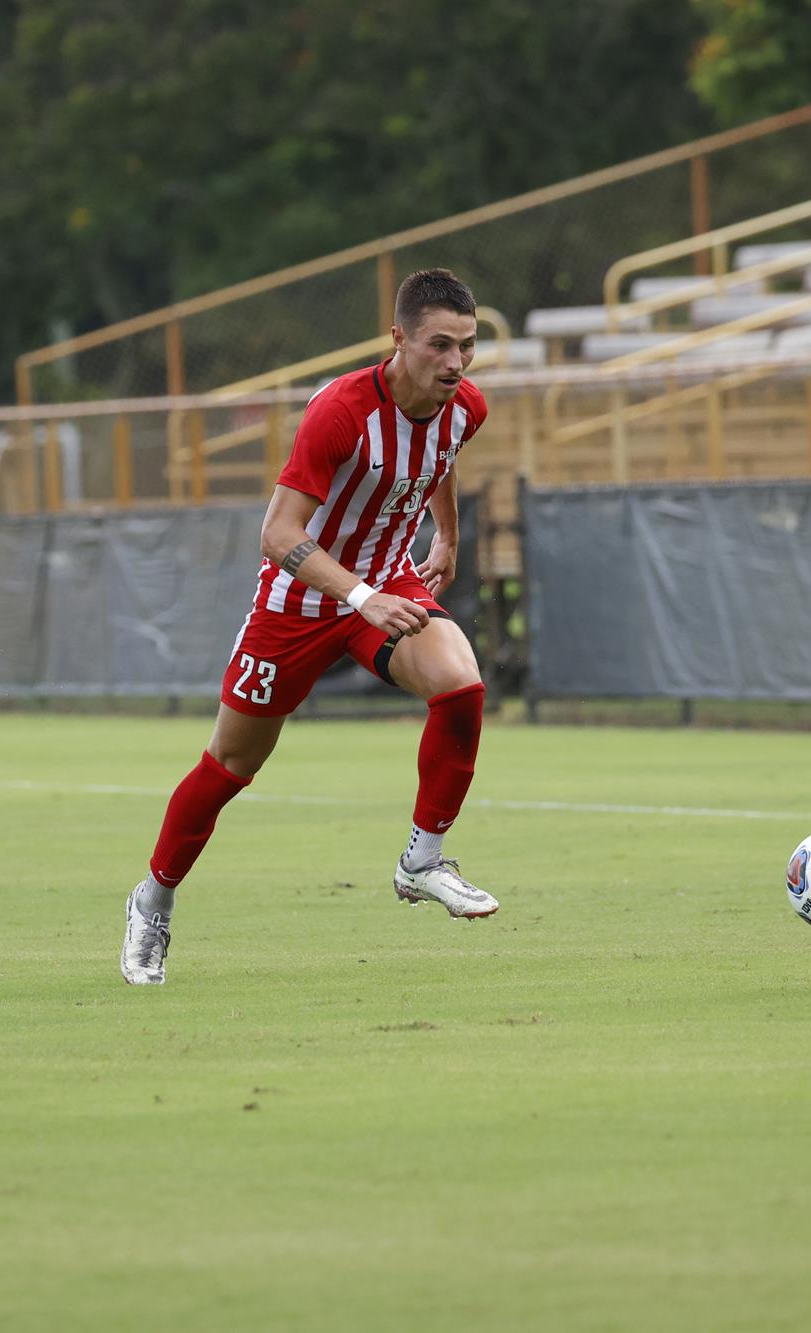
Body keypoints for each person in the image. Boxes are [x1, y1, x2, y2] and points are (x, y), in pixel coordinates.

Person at [120, 268, 497, 986]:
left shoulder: (464, 405)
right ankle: (153, 898)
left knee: (461, 683)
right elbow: (277, 532)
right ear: (398, 340)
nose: (455, 362)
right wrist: (361, 598)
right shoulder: (341, 412)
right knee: (231, 765)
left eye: (467, 345)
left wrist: (445, 537)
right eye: (439, 345)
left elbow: (441, 458)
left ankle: (422, 861)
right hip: (298, 602)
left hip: (386, 583)